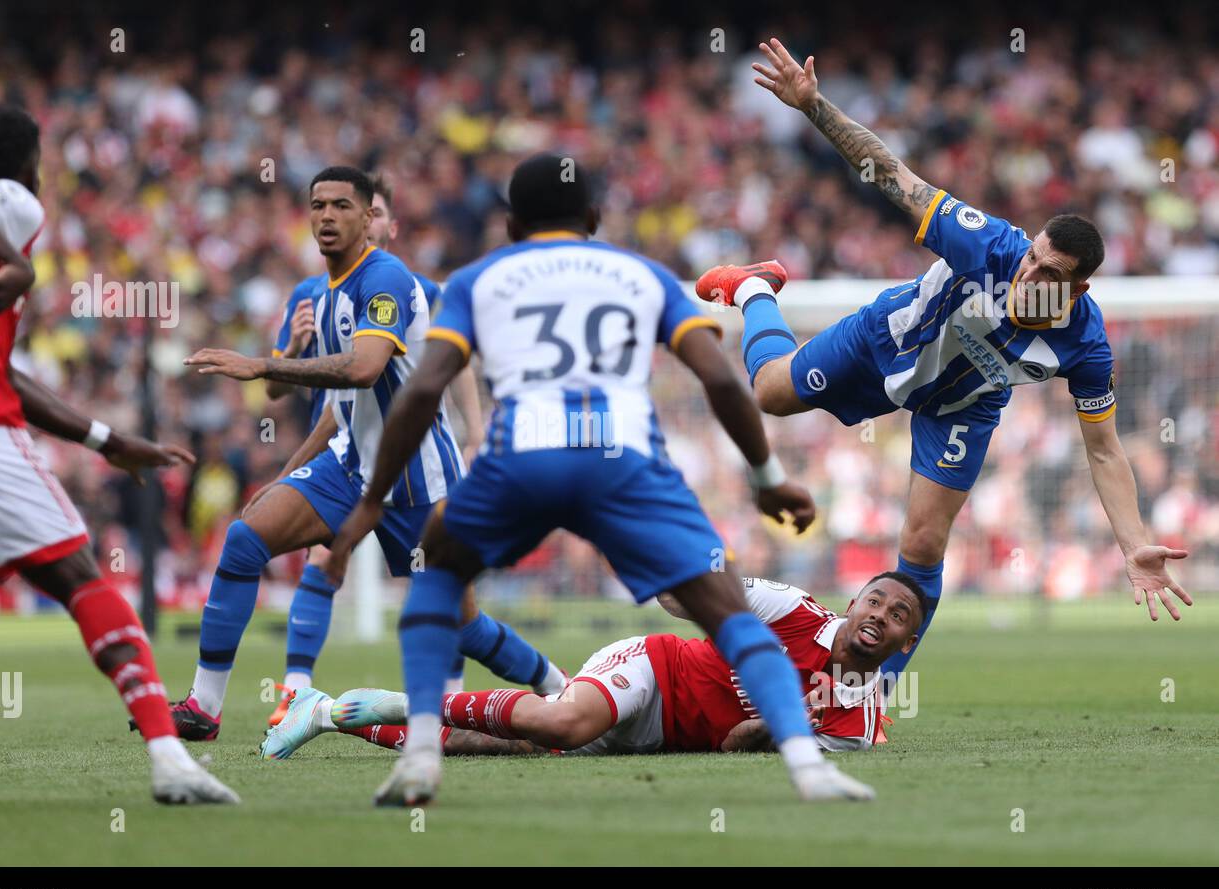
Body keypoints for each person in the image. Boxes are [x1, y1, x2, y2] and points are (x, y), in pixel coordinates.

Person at [324, 152, 875, 806]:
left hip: (522, 454)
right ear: (592, 217)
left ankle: (419, 754)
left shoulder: (478, 279)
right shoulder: (641, 274)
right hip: (623, 462)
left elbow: (422, 391)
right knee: (730, 613)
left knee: (438, 577)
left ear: (509, 224)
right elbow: (722, 379)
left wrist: (369, 498)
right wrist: (767, 476)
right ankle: (809, 771)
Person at [696, 37, 1191, 679]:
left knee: (923, 543)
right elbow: (889, 173)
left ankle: (874, 689)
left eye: (1049, 271)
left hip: (964, 404)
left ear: (1079, 290)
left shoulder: (1087, 346)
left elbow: (1104, 449)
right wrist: (815, 108)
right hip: (890, 342)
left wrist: (1133, 544)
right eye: (1033, 255)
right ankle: (756, 287)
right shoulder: (987, 243)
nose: (1029, 271)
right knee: (771, 395)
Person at [174, 166, 565, 741]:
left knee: (462, 626)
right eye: (317, 206)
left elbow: (364, 369)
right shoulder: (322, 292)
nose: (327, 216)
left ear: (367, 218)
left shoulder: (384, 279)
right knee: (244, 538)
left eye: (341, 206)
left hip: (417, 479)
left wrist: (262, 363)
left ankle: (559, 689)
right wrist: (288, 475)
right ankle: (204, 708)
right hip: (349, 466)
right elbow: (341, 408)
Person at [0, 103, 237, 804]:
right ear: (28, 159)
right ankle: (169, 757)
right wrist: (16, 265)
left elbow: (3, 370)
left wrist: (103, 438)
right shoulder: (8, 205)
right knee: (83, 577)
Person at [260, 172, 491, 726]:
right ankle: (295, 691)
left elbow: (457, 362)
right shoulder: (309, 292)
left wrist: (473, 429)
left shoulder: (416, 289)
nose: (338, 217)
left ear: (383, 223)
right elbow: (272, 386)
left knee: (440, 580)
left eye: (370, 210)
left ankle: (454, 693)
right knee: (324, 558)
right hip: (340, 448)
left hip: (409, 455)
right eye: (323, 207)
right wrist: (290, 345)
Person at [262, 573, 925, 759]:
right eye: (875, 599)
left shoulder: (859, 724)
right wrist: (690, 575)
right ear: (854, 601)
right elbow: (685, 597)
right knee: (564, 723)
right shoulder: (792, 611)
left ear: (904, 643)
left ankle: (324, 712)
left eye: (897, 616)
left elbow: (733, 742)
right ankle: (398, 701)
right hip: (653, 669)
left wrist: (793, 719)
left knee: (487, 744)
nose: (879, 614)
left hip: (659, 738)